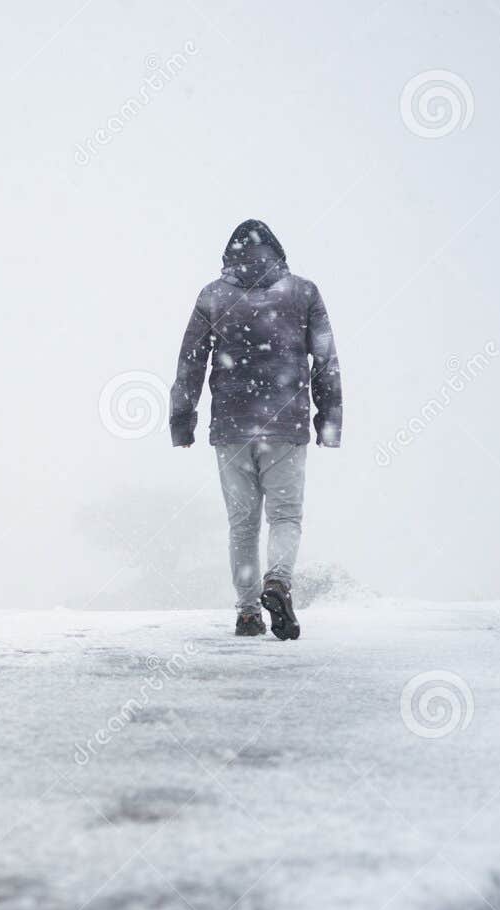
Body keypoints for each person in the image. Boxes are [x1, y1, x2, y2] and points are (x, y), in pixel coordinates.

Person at [169, 219, 342, 640]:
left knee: (242, 523)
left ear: (229, 256)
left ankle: (248, 613)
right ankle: (277, 582)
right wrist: (329, 420)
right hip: (285, 426)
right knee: (285, 516)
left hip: (232, 427)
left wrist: (182, 420)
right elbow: (326, 360)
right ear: (278, 254)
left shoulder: (213, 295)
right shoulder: (303, 292)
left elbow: (190, 363)